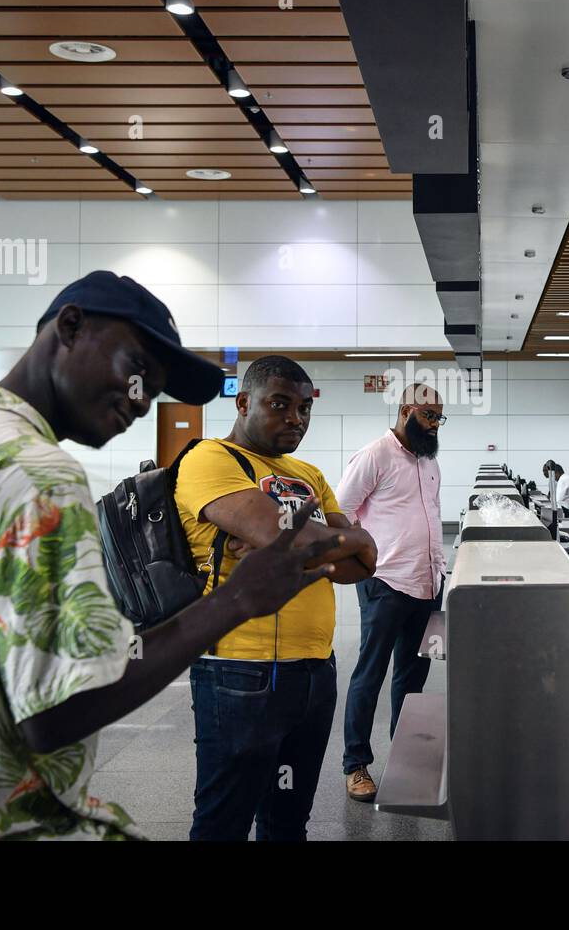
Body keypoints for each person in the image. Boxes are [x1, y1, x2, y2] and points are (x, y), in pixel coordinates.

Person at [0, 273, 344, 840]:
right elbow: (57, 711)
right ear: (71, 326)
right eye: (137, 371)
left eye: (153, 388)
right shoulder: (40, 474)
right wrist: (235, 600)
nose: (140, 400)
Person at [175, 354, 377, 840]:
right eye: (280, 404)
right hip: (239, 671)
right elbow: (305, 536)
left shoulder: (308, 472)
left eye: (305, 408)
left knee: (288, 822)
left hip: (313, 670)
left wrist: (292, 543)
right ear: (244, 403)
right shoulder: (208, 459)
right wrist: (324, 536)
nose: (296, 418)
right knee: (223, 821)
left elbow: (363, 561)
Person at [336, 383, 446, 802]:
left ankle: (405, 755)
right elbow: (341, 514)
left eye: (439, 417)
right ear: (405, 411)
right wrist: (366, 563)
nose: (434, 425)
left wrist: (440, 570)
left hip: (427, 582)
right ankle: (356, 764)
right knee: (371, 672)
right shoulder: (374, 456)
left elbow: (430, 514)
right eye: (428, 415)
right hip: (385, 582)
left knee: (413, 677)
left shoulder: (429, 461)